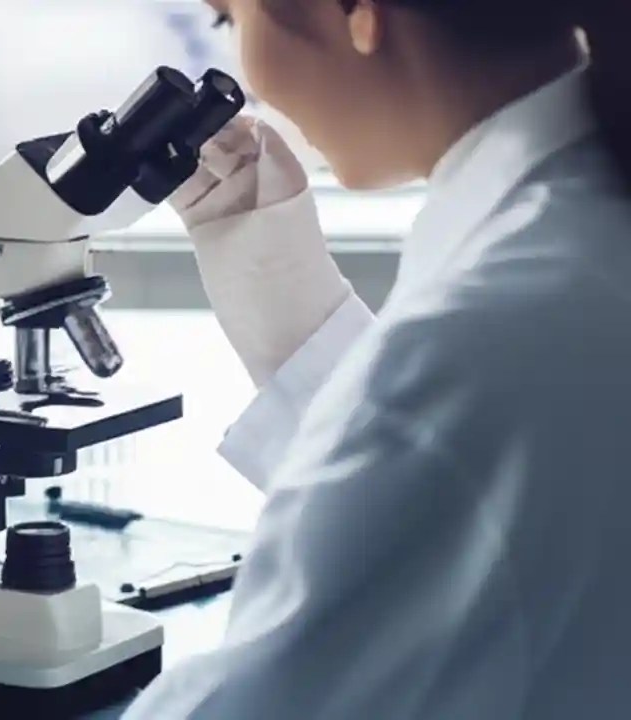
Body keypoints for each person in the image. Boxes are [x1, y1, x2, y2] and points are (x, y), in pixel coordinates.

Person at [124, 0, 631, 717]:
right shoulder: (579, 219)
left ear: (359, 11)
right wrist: (287, 301)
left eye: (230, 22)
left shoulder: (481, 343)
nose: (249, 77)